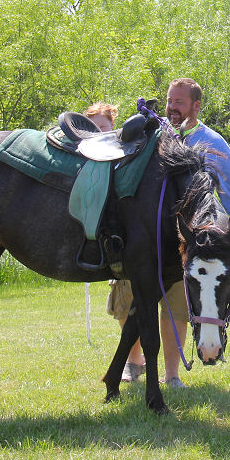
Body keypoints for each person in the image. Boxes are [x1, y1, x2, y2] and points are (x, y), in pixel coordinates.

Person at [107, 79, 230, 387]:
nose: (172, 107)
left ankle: (172, 374)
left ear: (196, 106)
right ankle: (132, 363)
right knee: (130, 302)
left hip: (185, 246)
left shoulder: (212, 141)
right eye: (169, 101)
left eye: (179, 102)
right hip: (140, 240)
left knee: (176, 308)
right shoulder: (154, 136)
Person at [84, 103, 147, 383]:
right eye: (94, 127)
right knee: (122, 306)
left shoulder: (129, 157)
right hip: (112, 246)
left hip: (133, 241)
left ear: (114, 127)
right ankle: (134, 359)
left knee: (138, 304)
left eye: (104, 126)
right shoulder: (86, 162)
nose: (100, 131)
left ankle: (136, 360)